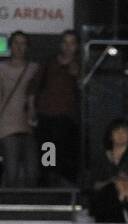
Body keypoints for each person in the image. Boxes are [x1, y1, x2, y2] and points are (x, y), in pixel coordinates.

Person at [34, 30, 80, 187]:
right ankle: (48, 179)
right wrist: (33, 111)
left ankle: (61, 181)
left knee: (64, 152)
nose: (68, 47)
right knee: (48, 149)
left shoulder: (80, 65)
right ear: (61, 45)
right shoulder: (49, 63)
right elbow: (35, 87)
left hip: (67, 117)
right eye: (65, 42)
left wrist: (77, 75)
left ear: (76, 46)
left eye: (72, 43)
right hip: (47, 115)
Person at [0, 31, 39, 189]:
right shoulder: (1, 68)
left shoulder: (34, 68)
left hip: (28, 126)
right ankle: (8, 209)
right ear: (10, 46)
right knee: (12, 171)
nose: (19, 47)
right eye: (16, 43)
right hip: (6, 124)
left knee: (32, 172)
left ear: (28, 47)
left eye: (23, 43)